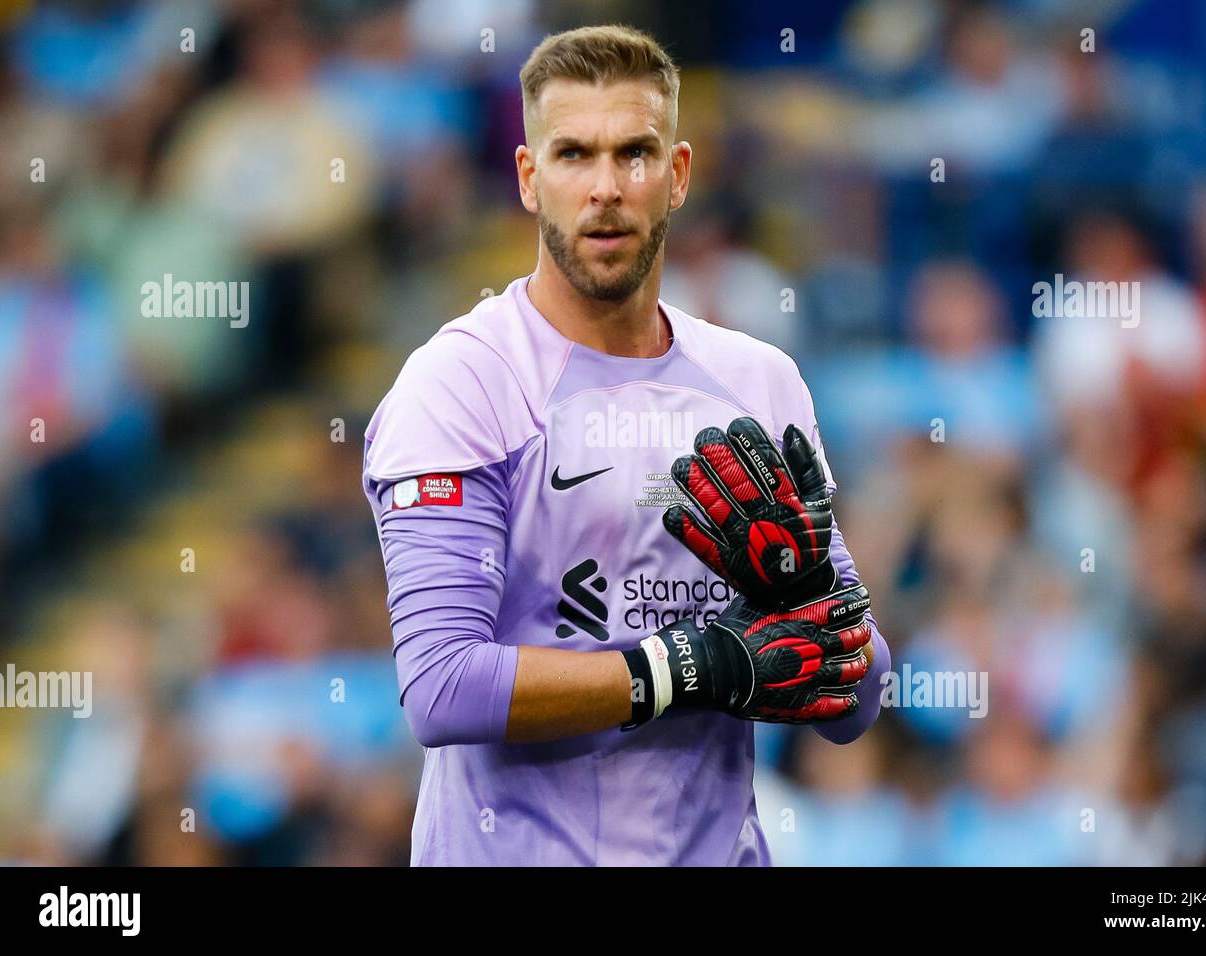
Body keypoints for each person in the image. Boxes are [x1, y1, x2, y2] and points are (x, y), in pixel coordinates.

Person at [362, 24, 890, 866]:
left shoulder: (761, 383)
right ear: (530, 180)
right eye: (574, 155)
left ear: (677, 176)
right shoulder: (461, 382)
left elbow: (858, 700)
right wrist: (692, 666)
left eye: (634, 154)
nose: (606, 187)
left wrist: (808, 587)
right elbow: (442, 686)